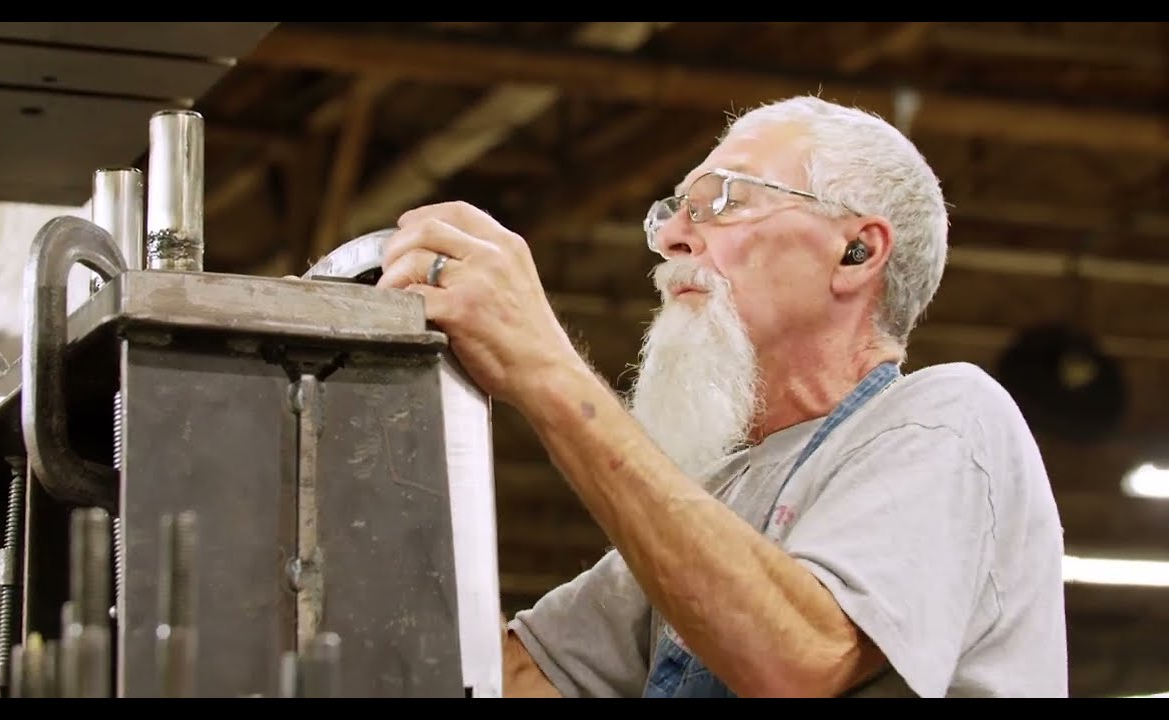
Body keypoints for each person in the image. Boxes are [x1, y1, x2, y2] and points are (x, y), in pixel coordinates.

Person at [375, 94, 1068, 698]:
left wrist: (542, 366)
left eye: (723, 201)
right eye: (676, 212)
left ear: (856, 252)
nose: (675, 236)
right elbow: (507, 680)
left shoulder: (949, 419)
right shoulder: (717, 501)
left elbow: (803, 657)